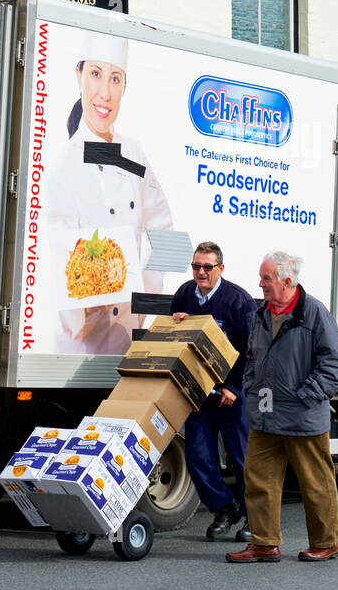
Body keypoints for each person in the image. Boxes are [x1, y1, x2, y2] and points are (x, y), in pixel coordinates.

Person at [46, 31, 172, 355]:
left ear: (125, 85)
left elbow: (166, 231)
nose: (105, 93)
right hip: (82, 350)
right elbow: (60, 264)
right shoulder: (62, 169)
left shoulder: (133, 154)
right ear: (79, 76)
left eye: (115, 79)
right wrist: (88, 309)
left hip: (129, 342)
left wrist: (146, 306)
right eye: (96, 74)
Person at [226, 250, 338, 563]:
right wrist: (251, 387)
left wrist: (308, 395)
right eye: (262, 277)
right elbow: (251, 356)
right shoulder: (260, 314)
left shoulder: (315, 313)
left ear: (287, 281)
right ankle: (265, 543)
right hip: (264, 413)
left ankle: (326, 542)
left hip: (303, 415)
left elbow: (334, 363)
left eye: (266, 278)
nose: (261, 283)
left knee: (315, 482)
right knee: (258, 480)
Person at [170, 241, 257, 541]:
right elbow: (175, 342)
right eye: (196, 266)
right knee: (196, 455)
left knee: (243, 459)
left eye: (208, 266)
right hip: (199, 394)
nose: (201, 272)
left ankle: (252, 518)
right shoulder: (183, 295)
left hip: (232, 396)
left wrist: (234, 387)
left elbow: (250, 350)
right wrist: (177, 324)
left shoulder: (239, 301)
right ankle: (224, 508)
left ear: (221, 267)